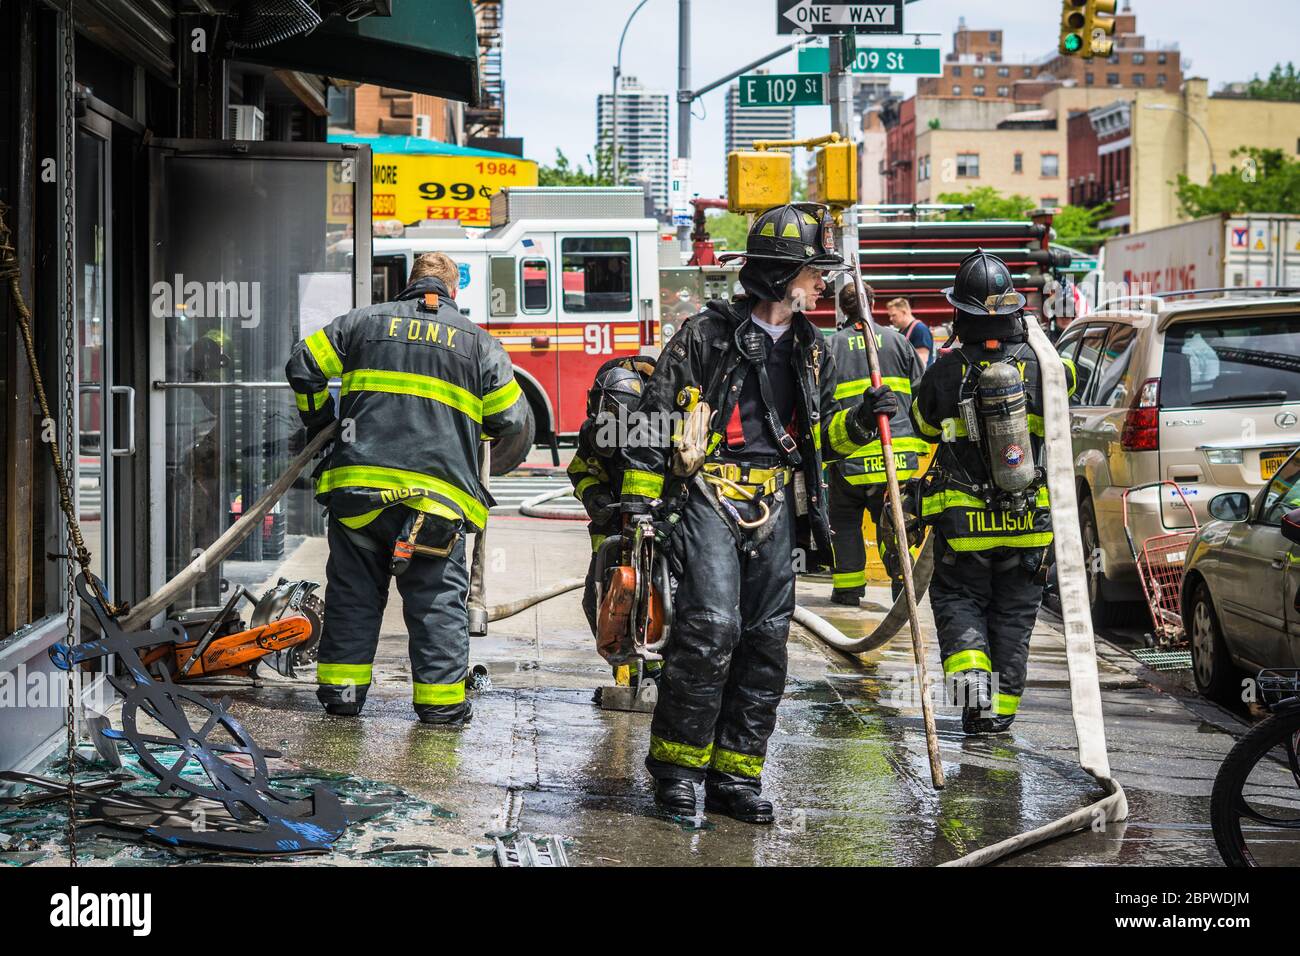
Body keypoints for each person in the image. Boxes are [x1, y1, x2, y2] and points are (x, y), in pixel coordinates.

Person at [620, 203, 896, 822]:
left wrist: (865, 415)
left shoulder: (813, 347)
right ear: (779, 277)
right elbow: (652, 421)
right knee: (710, 628)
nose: (821, 285)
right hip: (708, 496)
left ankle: (736, 778)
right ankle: (676, 771)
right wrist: (640, 509)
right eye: (811, 274)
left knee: (766, 640)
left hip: (775, 504)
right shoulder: (703, 336)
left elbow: (832, 438)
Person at [286, 252, 527, 726]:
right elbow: (511, 418)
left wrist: (324, 423)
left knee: (354, 594)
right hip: (436, 503)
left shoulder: (361, 323)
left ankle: (342, 693)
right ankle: (441, 706)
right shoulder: (479, 344)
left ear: (409, 283)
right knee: (435, 600)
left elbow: (303, 366)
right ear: (453, 291)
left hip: (358, 494)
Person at [910, 249, 1076, 735]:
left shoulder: (947, 369)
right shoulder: (1047, 368)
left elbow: (921, 426)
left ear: (959, 312)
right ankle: (998, 717)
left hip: (964, 530)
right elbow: (1069, 395)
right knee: (1015, 619)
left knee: (959, 604)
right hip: (1029, 526)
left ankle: (971, 699)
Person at [825, 281, 926, 605]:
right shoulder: (898, 341)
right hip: (895, 456)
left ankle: (848, 589)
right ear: (874, 303)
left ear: (843, 309)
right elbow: (921, 394)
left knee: (844, 522)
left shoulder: (832, 346)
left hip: (851, 457)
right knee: (895, 522)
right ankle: (902, 586)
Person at [568, 357, 663, 688]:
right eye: (601, 408)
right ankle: (627, 675)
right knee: (599, 605)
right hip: (608, 542)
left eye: (613, 412)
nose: (604, 418)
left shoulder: (657, 430)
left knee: (653, 607)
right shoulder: (591, 431)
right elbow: (580, 469)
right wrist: (592, 494)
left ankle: (654, 674)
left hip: (653, 543)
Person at [887, 297, 934, 368]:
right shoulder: (902, 330)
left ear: (904, 312)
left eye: (893, 315)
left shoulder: (920, 329)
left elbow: (921, 362)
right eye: (890, 316)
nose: (891, 319)